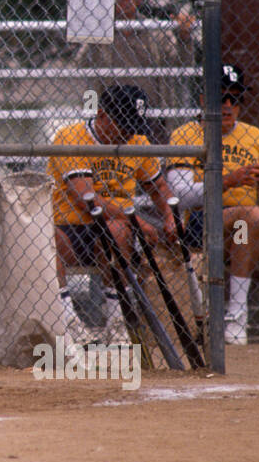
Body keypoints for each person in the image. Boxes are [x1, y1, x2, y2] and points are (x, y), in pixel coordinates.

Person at [167, 64, 259, 344]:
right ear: (203, 100)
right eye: (220, 97)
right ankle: (235, 317)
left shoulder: (252, 135)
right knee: (249, 217)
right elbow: (180, 195)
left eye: (234, 99)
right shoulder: (185, 134)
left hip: (249, 224)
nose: (227, 106)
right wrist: (228, 181)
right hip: (202, 222)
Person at [48, 85, 179, 343]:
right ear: (102, 115)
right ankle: (68, 322)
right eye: (124, 124)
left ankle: (117, 322)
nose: (129, 133)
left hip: (115, 229)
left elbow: (159, 187)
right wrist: (137, 221)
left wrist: (169, 215)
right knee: (48, 238)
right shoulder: (71, 137)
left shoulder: (137, 142)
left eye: (134, 125)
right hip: (69, 228)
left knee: (117, 230)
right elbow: (88, 199)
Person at [73, 0, 196, 143]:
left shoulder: (154, 30)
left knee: (153, 161)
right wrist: (96, 31)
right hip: (111, 116)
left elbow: (182, 64)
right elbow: (82, 64)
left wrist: (184, 38)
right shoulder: (102, 31)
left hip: (149, 115)